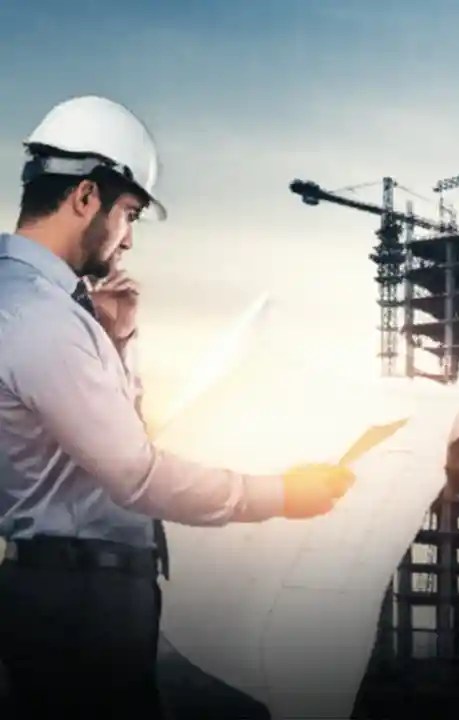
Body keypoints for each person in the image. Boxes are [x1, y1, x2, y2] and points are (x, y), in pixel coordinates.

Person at [0, 95, 356, 719]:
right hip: (78, 601)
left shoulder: (44, 309)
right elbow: (135, 474)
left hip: (80, 592)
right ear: (85, 197)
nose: (128, 239)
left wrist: (117, 341)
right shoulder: (37, 314)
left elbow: (104, 445)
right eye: (129, 213)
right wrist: (281, 495)